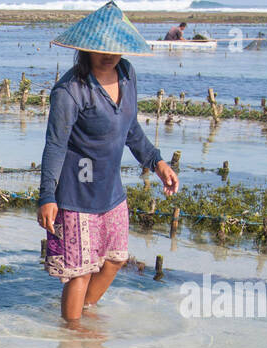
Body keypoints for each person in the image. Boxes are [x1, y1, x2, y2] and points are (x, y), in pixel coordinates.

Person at [38, 2, 180, 322]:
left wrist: (157, 163)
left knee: (115, 259)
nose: (109, 55)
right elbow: (55, 146)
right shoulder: (70, 90)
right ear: (85, 48)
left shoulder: (127, 74)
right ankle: (71, 337)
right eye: (101, 48)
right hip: (76, 195)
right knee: (80, 273)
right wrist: (47, 196)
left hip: (111, 193)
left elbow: (131, 129)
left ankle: (83, 315)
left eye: (115, 48)